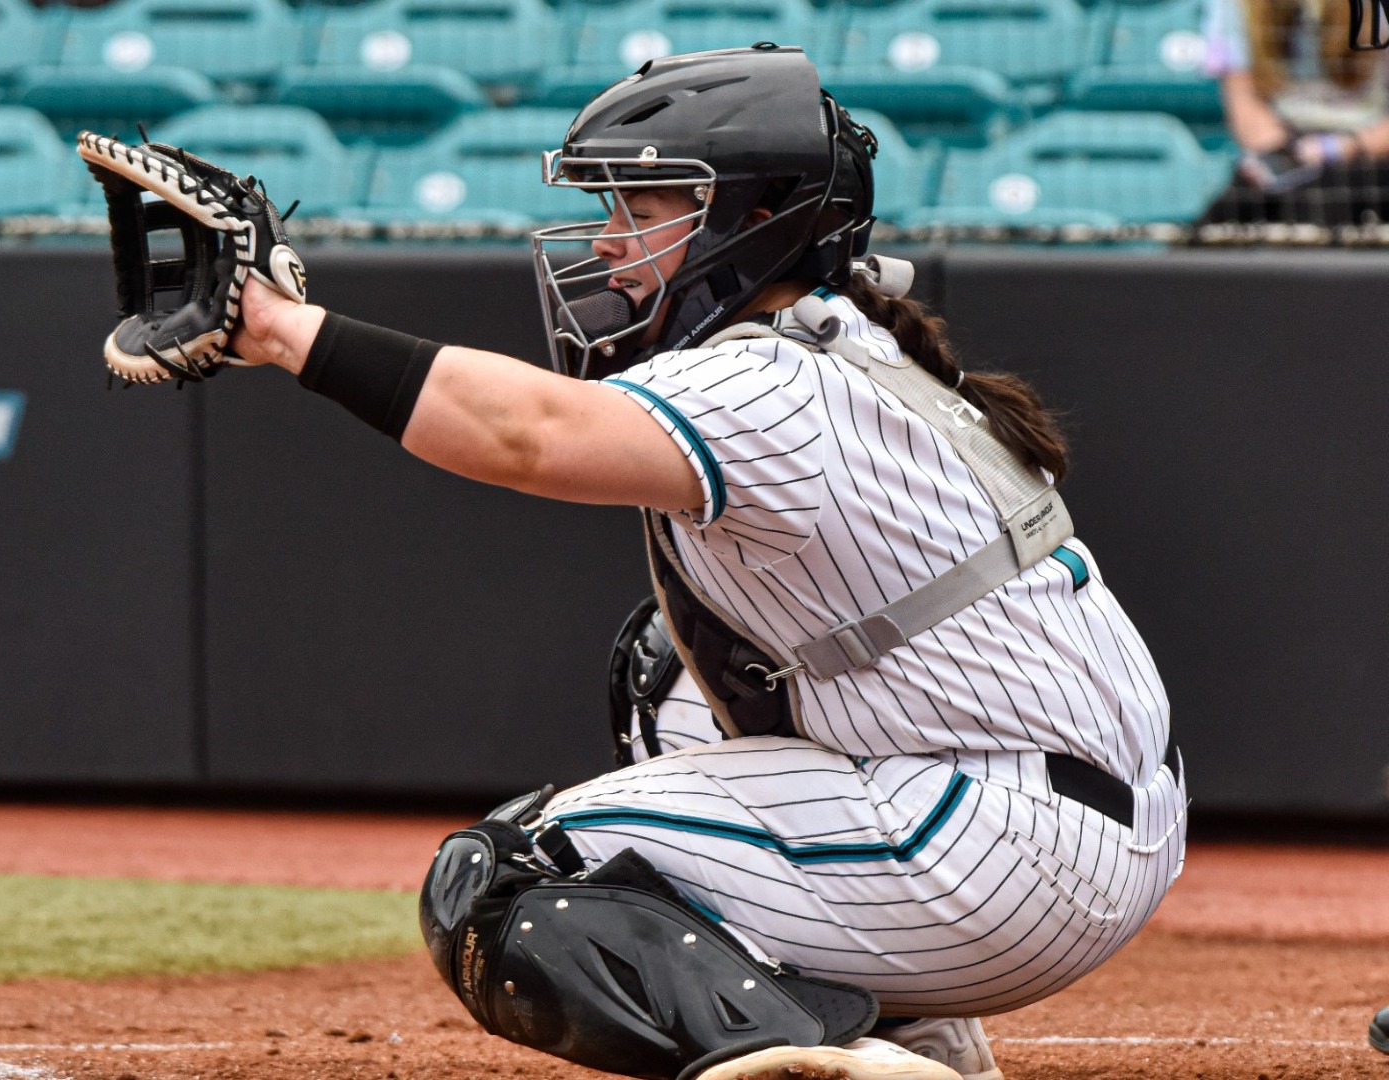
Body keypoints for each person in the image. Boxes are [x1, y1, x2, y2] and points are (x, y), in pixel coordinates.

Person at [96, 45, 1186, 1080]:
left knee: (504, 884)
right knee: (668, 671)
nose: (610, 239)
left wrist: (286, 331)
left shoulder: (768, 382)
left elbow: (530, 435)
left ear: (758, 217)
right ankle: (925, 1039)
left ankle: (831, 1069)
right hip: (1074, 824)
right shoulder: (845, 338)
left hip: (994, 857)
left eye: (645, 207)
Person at [1200, 0, 1389, 226]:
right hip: (1287, 148)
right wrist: (1290, 156)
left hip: (1370, 153)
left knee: (1320, 203)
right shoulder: (1237, 5)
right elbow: (1244, 106)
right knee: (1222, 221)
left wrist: (1345, 146)